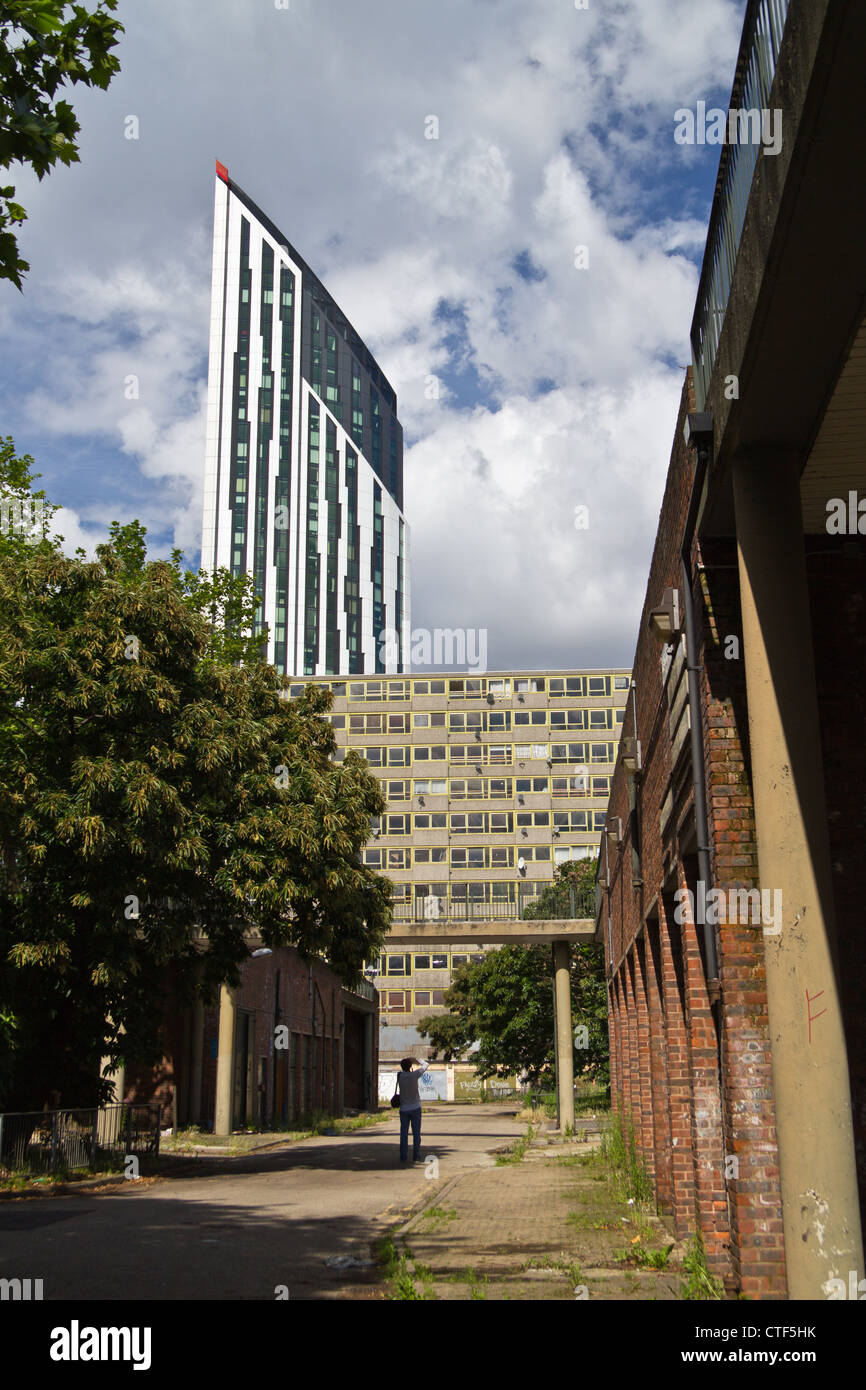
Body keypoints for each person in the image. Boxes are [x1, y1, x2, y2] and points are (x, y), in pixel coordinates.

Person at [395, 1056, 426, 1163]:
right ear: (410, 1066)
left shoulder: (400, 1076)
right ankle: (416, 1155)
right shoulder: (415, 1074)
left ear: (402, 1067)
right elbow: (426, 1065)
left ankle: (403, 1156)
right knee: (416, 1133)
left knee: (404, 1134)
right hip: (415, 1107)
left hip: (404, 1109)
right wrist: (417, 1059)